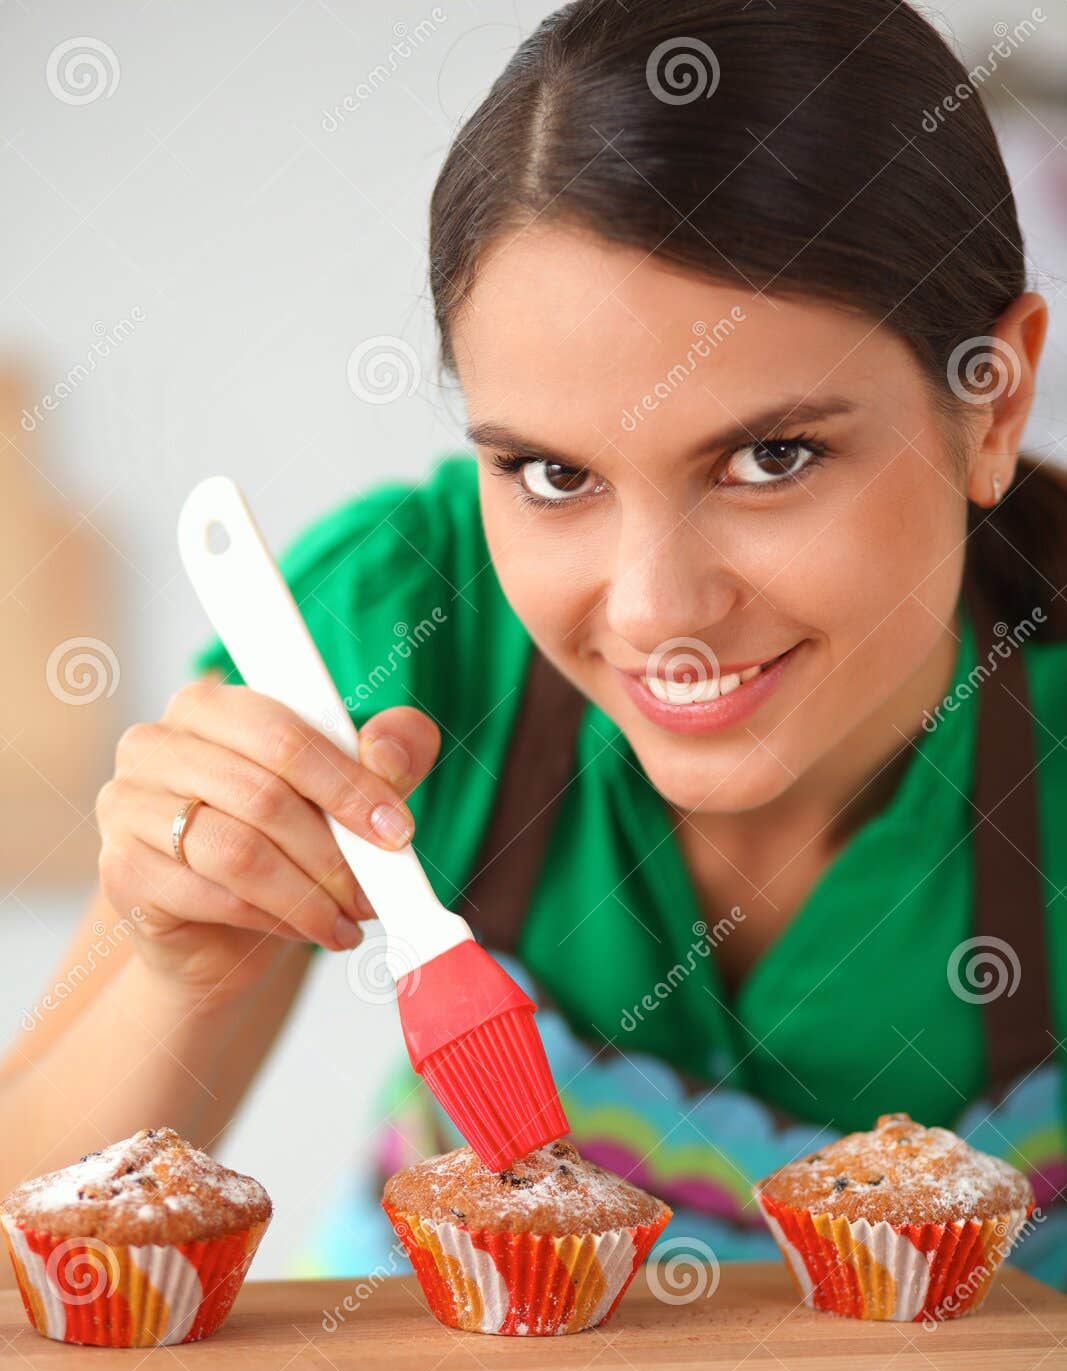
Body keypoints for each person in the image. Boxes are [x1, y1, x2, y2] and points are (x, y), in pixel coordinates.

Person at [3, 0, 1065, 1287]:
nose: (651, 607)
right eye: (554, 474)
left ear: (988, 401)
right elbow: (29, 1276)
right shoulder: (384, 631)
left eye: (769, 457)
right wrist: (186, 974)